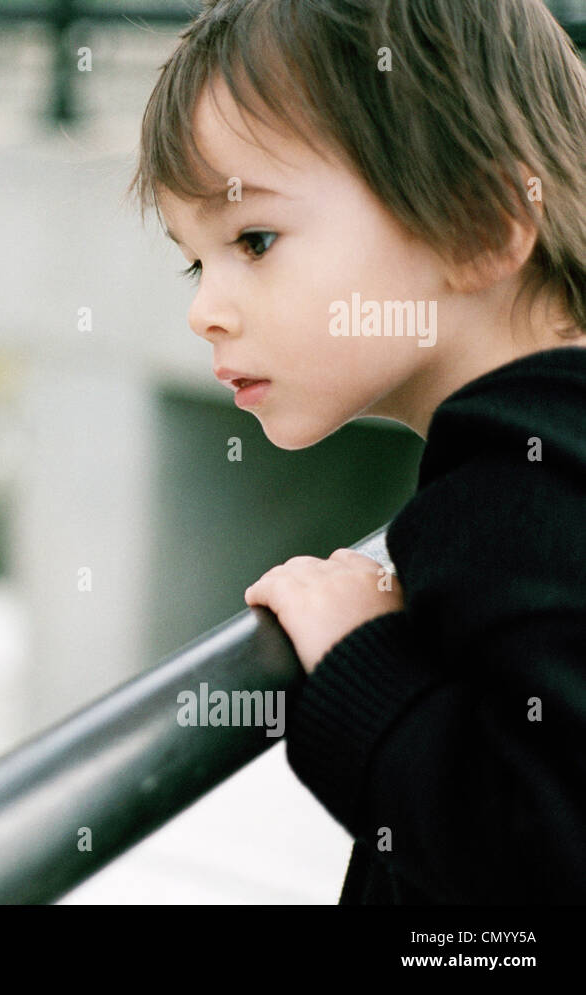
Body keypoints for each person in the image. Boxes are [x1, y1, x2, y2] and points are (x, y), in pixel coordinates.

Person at [126, 0, 586, 903]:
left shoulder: (520, 489)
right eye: (196, 262)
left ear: (482, 224)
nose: (203, 309)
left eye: (255, 239)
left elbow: (546, 848)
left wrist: (357, 665)